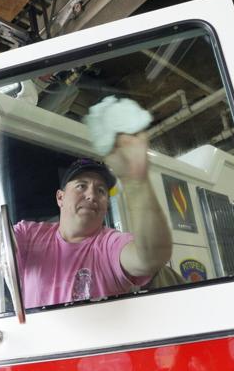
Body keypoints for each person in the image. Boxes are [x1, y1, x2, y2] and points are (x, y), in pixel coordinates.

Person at [14, 132, 173, 308]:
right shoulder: (29, 235)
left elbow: (150, 257)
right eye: (81, 186)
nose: (91, 195)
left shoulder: (110, 245)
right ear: (60, 197)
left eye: (101, 191)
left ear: (107, 205)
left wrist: (137, 181)